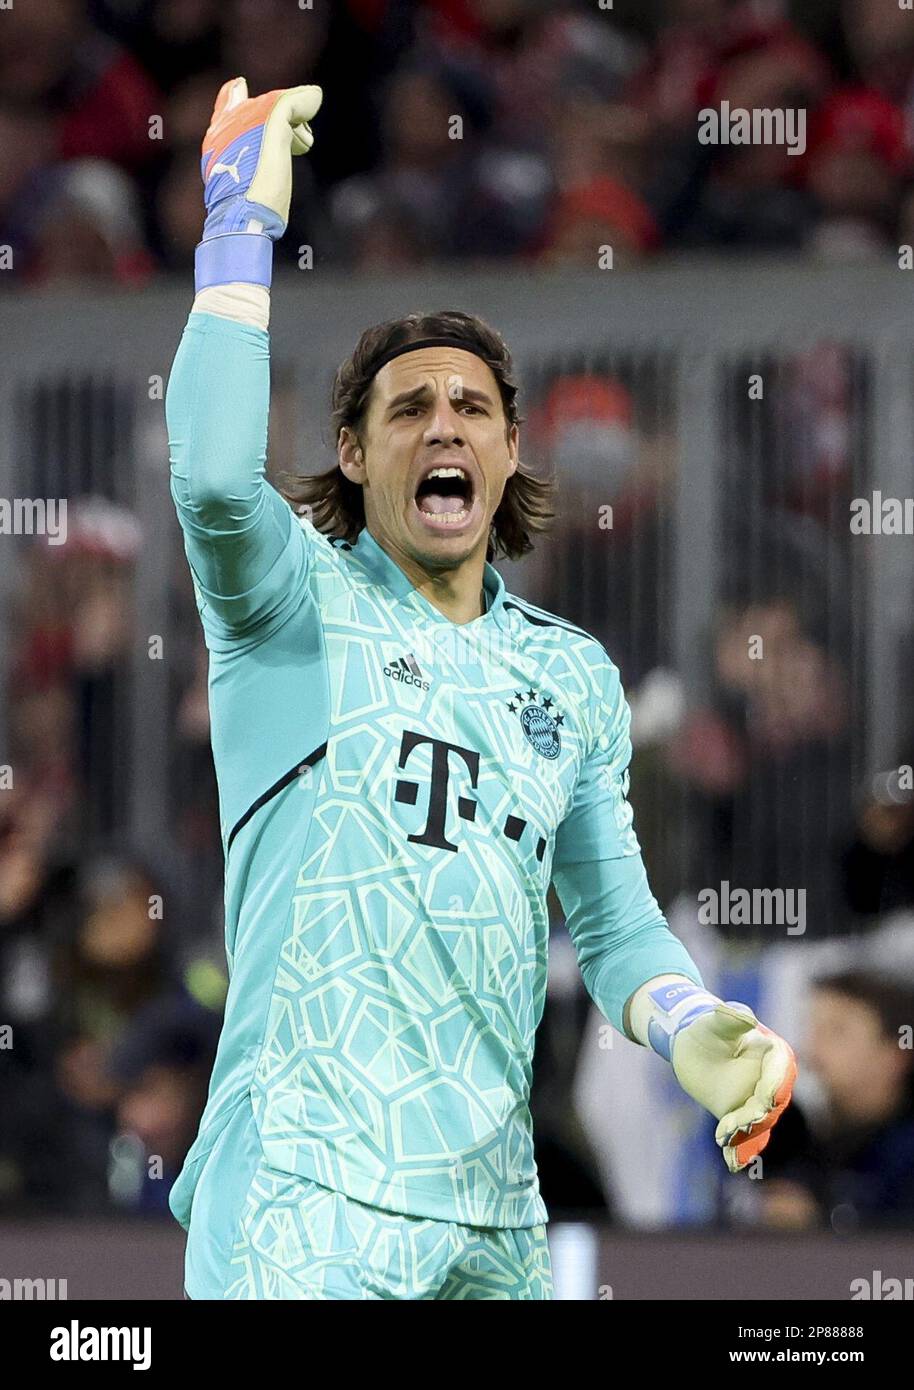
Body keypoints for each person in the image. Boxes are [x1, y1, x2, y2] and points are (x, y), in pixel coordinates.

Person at [164, 78, 796, 1301]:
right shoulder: (291, 606)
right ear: (352, 453)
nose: (441, 426)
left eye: (470, 407)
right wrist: (236, 233)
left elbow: (611, 926)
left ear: (509, 455)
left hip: (491, 1219)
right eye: (406, 409)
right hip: (304, 1194)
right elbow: (211, 483)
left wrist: (684, 1026)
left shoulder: (567, 671)